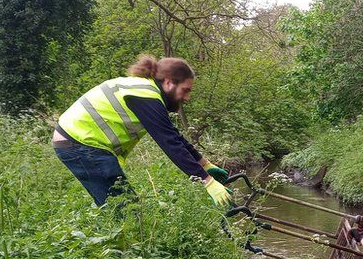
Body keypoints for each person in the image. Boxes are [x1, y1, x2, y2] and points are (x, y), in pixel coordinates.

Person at [52, 54, 232, 207]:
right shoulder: (146, 96)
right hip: (80, 143)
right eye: (185, 91)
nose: (187, 98)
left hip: (79, 143)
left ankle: (120, 244)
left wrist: (205, 164)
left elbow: (173, 135)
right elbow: (169, 142)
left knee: (121, 206)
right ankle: (121, 246)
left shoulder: (146, 91)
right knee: (124, 208)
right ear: (169, 83)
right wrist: (207, 182)